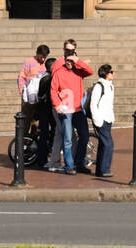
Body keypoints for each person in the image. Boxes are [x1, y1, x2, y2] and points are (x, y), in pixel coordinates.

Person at [48, 41, 93, 175]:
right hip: (66, 110)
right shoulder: (59, 71)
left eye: (71, 57)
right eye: (67, 59)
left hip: (78, 109)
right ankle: (69, 166)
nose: (69, 61)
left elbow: (89, 71)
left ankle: (79, 162)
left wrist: (77, 60)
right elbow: (53, 90)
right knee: (67, 139)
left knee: (84, 136)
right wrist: (57, 105)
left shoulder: (79, 70)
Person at [89, 65, 115, 178]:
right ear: (106, 73)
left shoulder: (110, 86)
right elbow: (93, 104)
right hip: (101, 120)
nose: (113, 74)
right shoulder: (99, 86)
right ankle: (105, 169)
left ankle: (100, 170)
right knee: (109, 144)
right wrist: (98, 120)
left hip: (108, 119)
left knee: (103, 145)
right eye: (111, 72)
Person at [35, 57, 56, 167]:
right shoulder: (50, 79)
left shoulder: (43, 78)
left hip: (43, 110)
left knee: (44, 134)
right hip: (48, 110)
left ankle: (42, 158)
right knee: (50, 133)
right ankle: (45, 157)